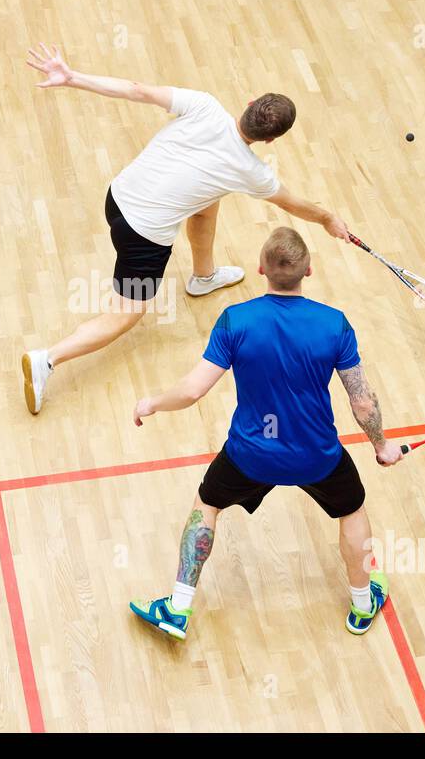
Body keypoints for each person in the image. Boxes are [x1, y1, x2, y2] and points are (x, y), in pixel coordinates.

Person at [20, 43, 351, 415]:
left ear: (248, 102)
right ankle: (47, 359)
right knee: (125, 315)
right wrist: (325, 218)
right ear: (270, 140)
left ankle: (203, 276)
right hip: (141, 238)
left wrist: (72, 77)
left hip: (117, 197)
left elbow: (137, 89)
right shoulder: (251, 172)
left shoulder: (204, 105)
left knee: (209, 200)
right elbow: (293, 204)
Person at [128, 226, 403, 640]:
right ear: (309, 271)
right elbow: (362, 402)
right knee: (352, 511)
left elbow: (192, 390)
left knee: (207, 506)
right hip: (318, 456)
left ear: (261, 269)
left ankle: (178, 608)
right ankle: (363, 606)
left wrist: (152, 403)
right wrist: (381, 445)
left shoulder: (236, 321)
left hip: (250, 455)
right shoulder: (334, 325)